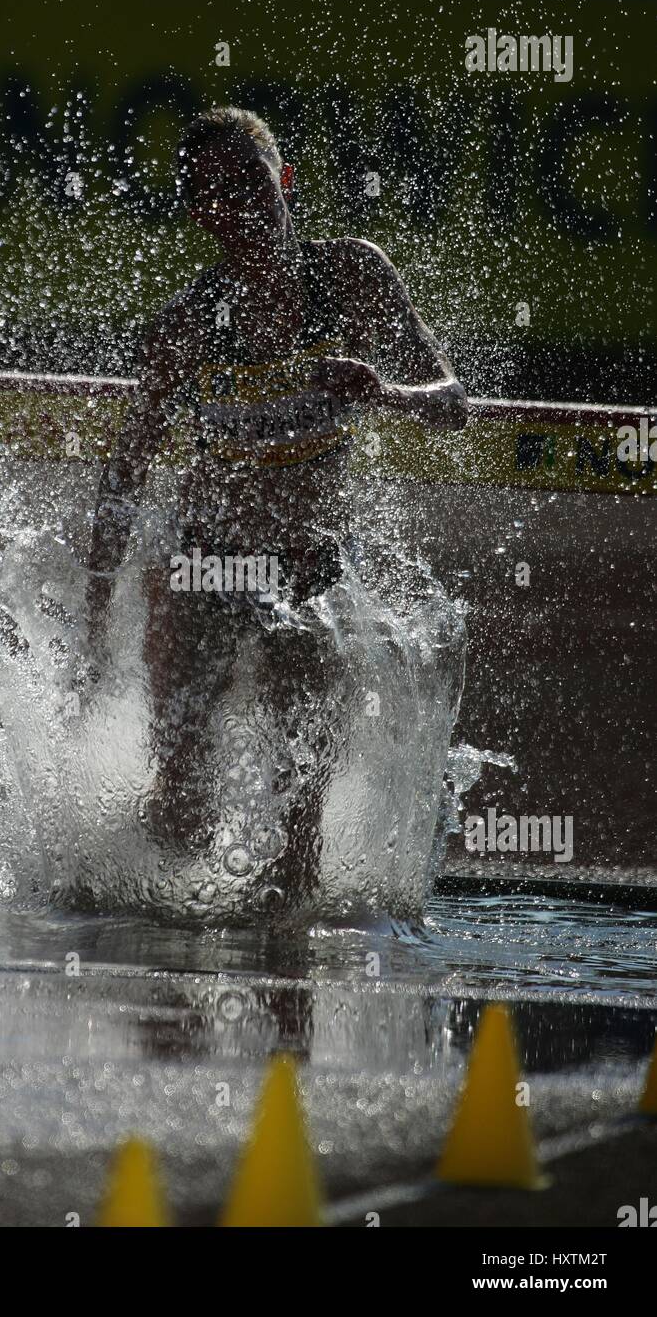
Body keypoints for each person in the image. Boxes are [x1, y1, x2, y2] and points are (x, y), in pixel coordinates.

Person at [83, 106, 467, 894]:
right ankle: (126, 920)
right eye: (213, 194)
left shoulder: (354, 276)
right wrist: (97, 607)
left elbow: (456, 403)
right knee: (183, 808)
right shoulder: (186, 326)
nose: (237, 208)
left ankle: (289, 979)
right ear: (196, 214)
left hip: (308, 572)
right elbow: (123, 473)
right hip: (203, 568)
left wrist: (385, 392)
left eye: (250, 185)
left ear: (285, 182)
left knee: (300, 826)